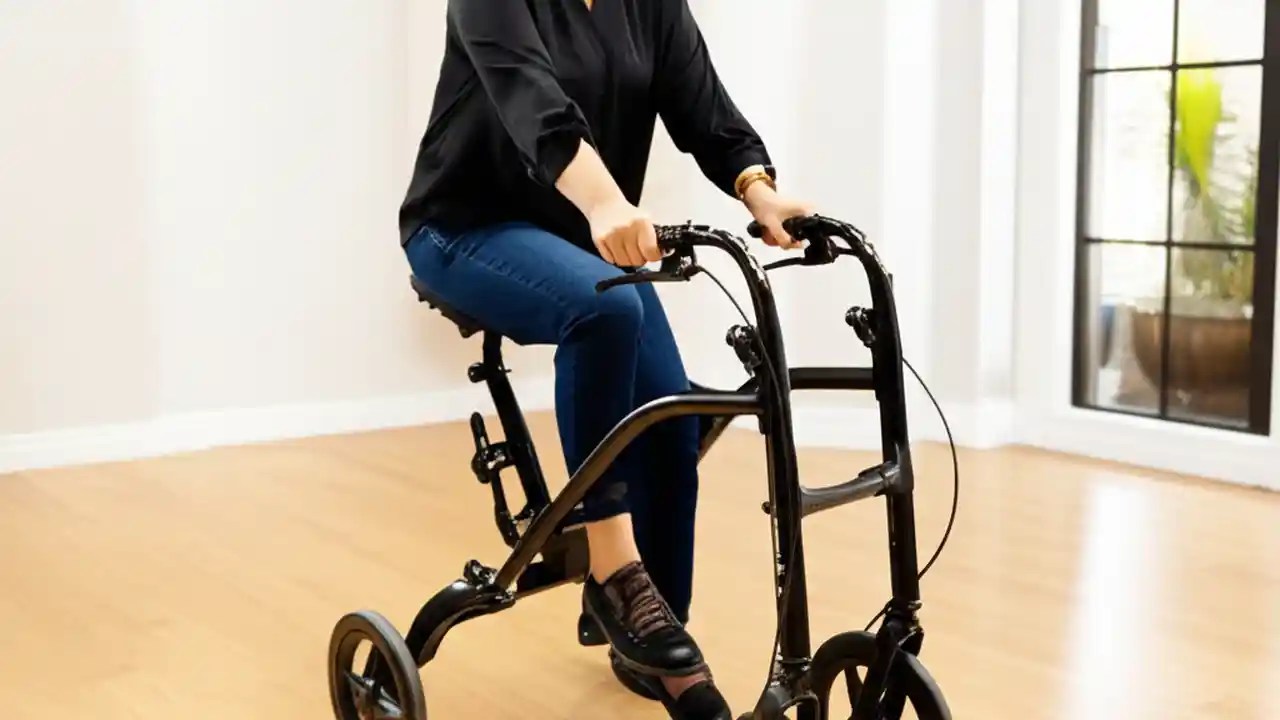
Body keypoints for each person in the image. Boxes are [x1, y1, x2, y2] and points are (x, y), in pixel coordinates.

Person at [399, 0, 811, 716]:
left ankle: (656, 643)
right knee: (606, 308)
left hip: (579, 234)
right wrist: (604, 204)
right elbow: (533, 100)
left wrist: (759, 189)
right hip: (463, 226)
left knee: (668, 416)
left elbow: (701, 104)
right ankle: (613, 570)